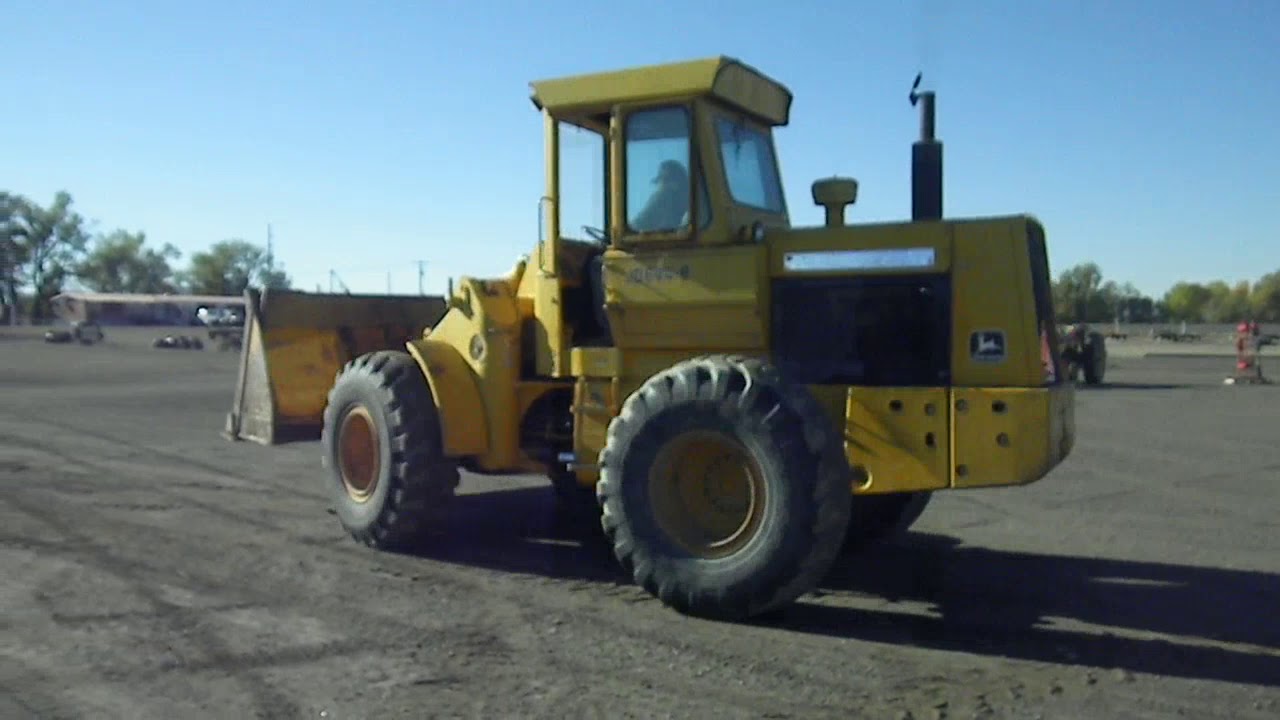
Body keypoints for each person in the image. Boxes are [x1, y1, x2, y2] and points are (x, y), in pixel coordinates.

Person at [631, 159, 690, 233]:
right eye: (662, 181)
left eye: (666, 180)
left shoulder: (663, 196)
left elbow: (640, 222)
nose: (661, 185)